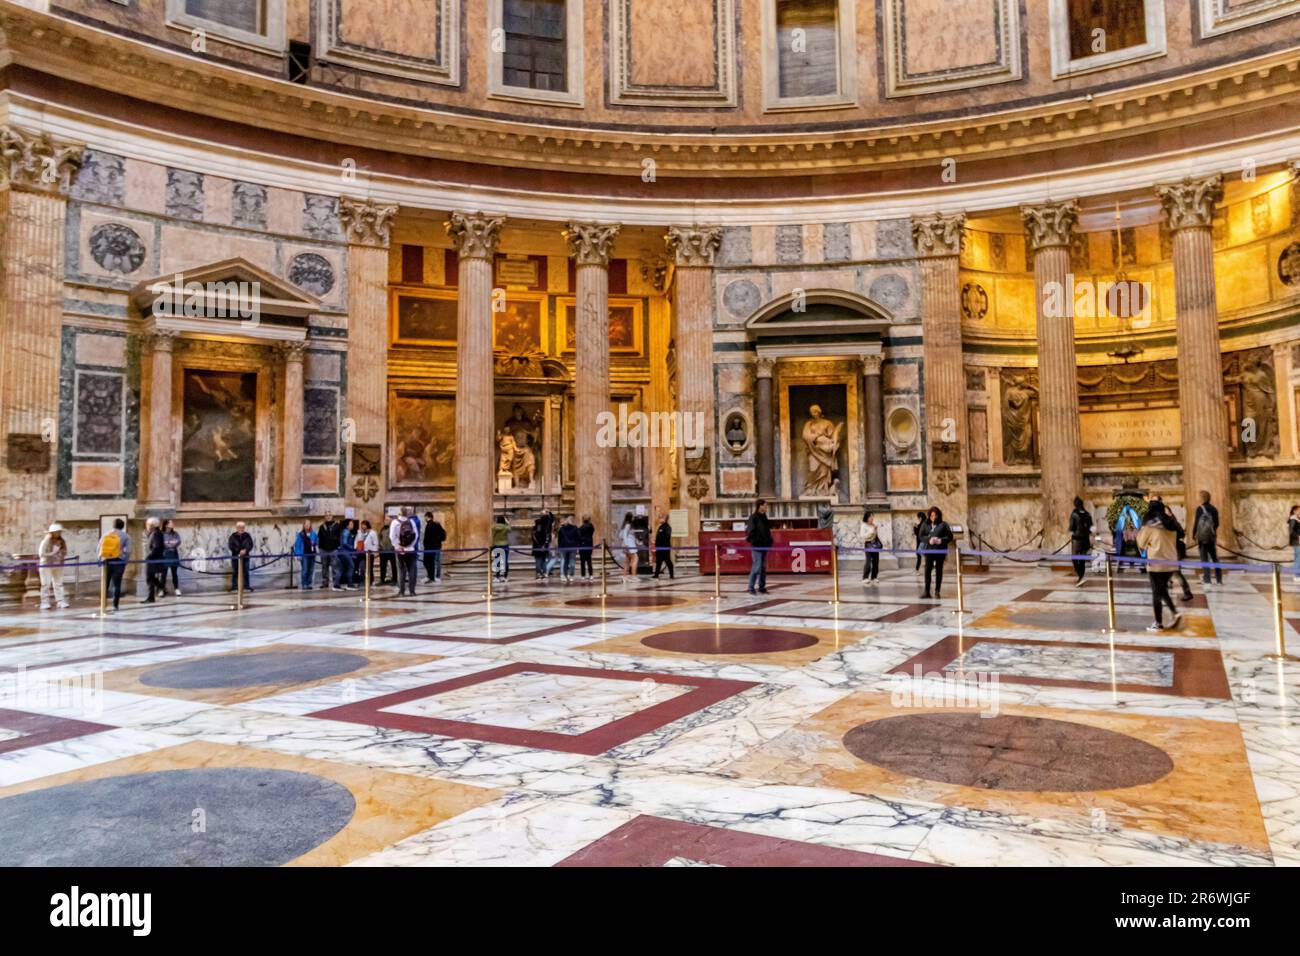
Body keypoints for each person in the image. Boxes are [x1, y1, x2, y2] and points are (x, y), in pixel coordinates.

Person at [1137, 500, 1181, 631]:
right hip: (1171, 562)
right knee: (1162, 590)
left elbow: (1141, 543)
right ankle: (1175, 612)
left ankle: (1158, 622)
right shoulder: (1171, 524)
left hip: (1156, 562)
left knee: (1156, 593)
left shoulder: (1150, 525)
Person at [1150, 495, 1194, 601]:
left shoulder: (1168, 518)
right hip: (1164, 550)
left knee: (1175, 572)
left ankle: (1186, 591)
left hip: (1172, 549)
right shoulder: (1158, 519)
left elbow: (1180, 533)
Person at [921, 506, 953, 600]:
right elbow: (921, 535)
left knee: (939, 570)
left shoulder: (944, 524)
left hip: (940, 550)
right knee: (927, 571)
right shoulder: (925, 524)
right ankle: (927, 591)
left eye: (935, 516)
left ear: (938, 515)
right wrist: (928, 540)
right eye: (931, 516)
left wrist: (940, 540)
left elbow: (950, 537)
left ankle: (937, 591)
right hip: (929, 550)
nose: (933, 518)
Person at [99, 518, 130, 611]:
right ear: (123, 526)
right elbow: (128, 551)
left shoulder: (106, 534)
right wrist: (125, 561)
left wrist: (100, 560)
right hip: (119, 561)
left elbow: (99, 548)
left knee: (105, 583)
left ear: (113, 525)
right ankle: (115, 606)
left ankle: (103, 604)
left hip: (106, 561)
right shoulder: (126, 536)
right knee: (117, 584)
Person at [1193, 490, 1222, 586]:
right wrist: (1211, 531)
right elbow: (1217, 523)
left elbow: (1197, 524)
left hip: (1202, 538)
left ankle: (1207, 580)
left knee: (1204, 559)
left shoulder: (1199, 509)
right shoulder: (1214, 509)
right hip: (1212, 537)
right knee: (1215, 558)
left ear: (1202, 498)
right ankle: (1219, 580)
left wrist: (1194, 535)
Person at [38, 523, 69, 610]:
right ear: (52, 532)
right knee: (46, 584)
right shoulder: (45, 542)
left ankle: (60, 600)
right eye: (56, 532)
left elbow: (65, 552)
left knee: (58, 583)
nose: (58, 533)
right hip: (46, 564)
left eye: (59, 532)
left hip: (58, 564)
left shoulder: (62, 542)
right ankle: (44, 602)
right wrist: (53, 553)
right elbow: (41, 554)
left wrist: (61, 554)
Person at [745, 499, 773, 595]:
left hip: (764, 546)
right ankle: (751, 587)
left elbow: (766, 531)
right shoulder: (753, 517)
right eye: (765, 505)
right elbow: (750, 532)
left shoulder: (764, 517)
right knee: (756, 567)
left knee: (763, 568)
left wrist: (769, 541)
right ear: (760, 506)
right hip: (757, 546)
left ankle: (762, 587)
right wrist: (755, 541)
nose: (766, 508)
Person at [391, 506, 419, 596]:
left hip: (400, 550)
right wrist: (410, 546)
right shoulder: (411, 522)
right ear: (407, 513)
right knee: (412, 570)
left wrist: (398, 546)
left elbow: (392, 536)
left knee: (401, 570)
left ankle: (401, 591)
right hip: (411, 550)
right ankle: (412, 591)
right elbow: (416, 535)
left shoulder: (395, 522)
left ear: (399, 513)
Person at [1068, 497, 1093, 586]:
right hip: (1086, 540)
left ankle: (1080, 576)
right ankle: (1081, 577)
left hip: (1077, 540)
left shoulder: (1074, 514)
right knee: (1082, 559)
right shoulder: (1088, 514)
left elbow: (1071, 528)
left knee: (1074, 558)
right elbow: (1090, 526)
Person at [317, 512, 342, 590]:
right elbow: (319, 538)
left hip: (333, 549)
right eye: (326, 515)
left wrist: (338, 547)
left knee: (335, 567)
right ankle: (325, 582)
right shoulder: (322, 527)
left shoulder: (337, 526)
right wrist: (320, 548)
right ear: (325, 517)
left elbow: (340, 537)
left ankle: (336, 583)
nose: (328, 517)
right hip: (324, 550)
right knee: (324, 567)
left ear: (332, 516)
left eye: (329, 515)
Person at [228, 521, 254, 593]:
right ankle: (234, 587)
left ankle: (246, 586)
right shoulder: (232, 536)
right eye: (239, 527)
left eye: (242, 527)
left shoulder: (247, 535)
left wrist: (245, 550)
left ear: (244, 528)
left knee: (246, 572)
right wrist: (239, 551)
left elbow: (250, 544)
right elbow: (231, 546)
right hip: (235, 557)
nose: (241, 528)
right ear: (236, 528)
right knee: (235, 572)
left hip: (245, 556)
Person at [144, 517, 165, 603]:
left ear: (152, 525)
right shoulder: (154, 533)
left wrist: (149, 556)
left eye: (148, 525)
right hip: (153, 559)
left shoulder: (156, 533)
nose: (147, 526)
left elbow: (156, 547)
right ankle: (160, 588)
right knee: (151, 578)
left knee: (149, 578)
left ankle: (151, 597)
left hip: (153, 559)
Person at [293, 519, 317, 589]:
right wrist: (298, 555)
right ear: (303, 525)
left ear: (310, 525)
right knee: (305, 570)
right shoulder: (300, 534)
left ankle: (309, 583)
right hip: (304, 554)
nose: (307, 526)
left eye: (309, 524)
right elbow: (297, 545)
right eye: (306, 524)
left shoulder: (313, 534)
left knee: (311, 570)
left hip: (312, 554)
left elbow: (317, 541)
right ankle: (304, 583)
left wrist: (314, 542)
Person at [423, 512, 447, 584]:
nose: (424, 519)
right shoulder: (437, 524)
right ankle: (434, 576)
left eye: (425, 517)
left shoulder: (430, 525)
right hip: (436, 546)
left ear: (427, 517)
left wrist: (425, 546)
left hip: (431, 547)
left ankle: (434, 576)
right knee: (434, 562)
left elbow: (426, 538)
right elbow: (443, 534)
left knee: (432, 562)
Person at [557, 515, 581, 583]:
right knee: (572, 562)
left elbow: (559, 539)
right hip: (572, 547)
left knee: (564, 561)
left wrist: (559, 548)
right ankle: (571, 575)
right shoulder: (575, 528)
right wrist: (578, 546)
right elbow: (578, 538)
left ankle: (564, 575)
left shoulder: (561, 529)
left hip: (563, 547)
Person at [162, 519, 182, 595]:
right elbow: (162, 542)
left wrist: (169, 543)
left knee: (174, 572)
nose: (173, 524)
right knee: (164, 573)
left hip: (173, 554)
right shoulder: (162, 534)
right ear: (166, 525)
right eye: (171, 523)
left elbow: (178, 541)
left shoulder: (175, 533)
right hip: (165, 554)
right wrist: (170, 543)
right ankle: (162, 589)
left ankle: (176, 588)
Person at [531, 509, 554, 579]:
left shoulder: (535, 528)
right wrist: (544, 545)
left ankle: (539, 573)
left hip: (537, 546)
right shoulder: (546, 525)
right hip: (543, 545)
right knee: (543, 559)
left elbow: (534, 537)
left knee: (538, 560)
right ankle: (544, 572)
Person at [335, 519, 357, 591]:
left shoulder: (344, 531)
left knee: (341, 569)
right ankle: (350, 584)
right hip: (345, 552)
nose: (352, 525)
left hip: (341, 552)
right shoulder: (346, 532)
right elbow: (344, 543)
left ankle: (336, 585)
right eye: (351, 524)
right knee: (351, 566)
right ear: (347, 525)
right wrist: (353, 548)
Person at [860, 509, 881, 583]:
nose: (872, 518)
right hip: (868, 544)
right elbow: (863, 536)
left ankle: (874, 577)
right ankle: (865, 577)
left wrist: (875, 531)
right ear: (867, 518)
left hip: (874, 544)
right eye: (871, 517)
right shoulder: (864, 526)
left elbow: (875, 535)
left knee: (876, 561)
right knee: (868, 562)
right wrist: (871, 532)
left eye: (873, 517)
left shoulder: (873, 525)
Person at [652, 511, 675, 580]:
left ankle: (671, 575)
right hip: (659, 548)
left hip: (664, 548)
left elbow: (667, 537)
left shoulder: (668, 527)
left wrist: (662, 545)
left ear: (665, 519)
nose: (659, 519)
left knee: (668, 561)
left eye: (661, 518)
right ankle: (656, 575)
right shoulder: (660, 527)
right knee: (658, 562)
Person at [618, 512, 639, 582]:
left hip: (627, 544)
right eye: (632, 517)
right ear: (631, 517)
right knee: (635, 559)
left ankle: (624, 576)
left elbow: (623, 535)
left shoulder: (625, 524)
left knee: (627, 561)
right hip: (629, 545)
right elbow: (624, 535)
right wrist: (627, 545)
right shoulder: (628, 525)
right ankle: (633, 576)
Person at [359, 519, 379, 586]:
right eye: (362, 525)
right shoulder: (361, 533)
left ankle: (370, 581)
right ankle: (362, 580)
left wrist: (374, 551)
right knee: (362, 567)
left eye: (364, 525)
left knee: (369, 568)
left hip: (370, 553)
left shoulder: (372, 532)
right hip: (362, 552)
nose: (363, 526)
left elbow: (375, 543)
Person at [492, 515, 511, 581]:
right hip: (505, 545)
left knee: (497, 561)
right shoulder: (506, 527)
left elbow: (492, 536)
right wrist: (507, 522)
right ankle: (505, 576)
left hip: (496, 545)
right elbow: (510, 530)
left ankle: (497, 576)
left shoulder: (494, 527)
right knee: (505, 561)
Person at [378, 520, 396, 586]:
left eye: (387, 521)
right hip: (383, 551)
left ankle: (394, 579)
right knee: (383, 566)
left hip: (391, 550)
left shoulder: (392, 529)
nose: (385, 522)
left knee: (393, 566)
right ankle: (382, 579)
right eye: (385, 520)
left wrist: (393, 547)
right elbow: (379, 537)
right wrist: (380, 545)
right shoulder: (382, 529)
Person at [578, 514, 595, 581]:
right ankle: (591, 575)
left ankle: (583, 575)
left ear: (582, 520)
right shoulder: (591, 527)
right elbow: (592, 533)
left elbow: (579, 537)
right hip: (589, 545)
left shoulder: (581, 528)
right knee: (589, 561)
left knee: (582, 562)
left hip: (582, 546)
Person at [912, 511, 928, 575]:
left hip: (921, 542)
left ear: (920, 517)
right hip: (922, 542)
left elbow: (918, 534)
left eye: (918, 517)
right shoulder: (925, 523)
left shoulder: (922, 524)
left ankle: (917, 570)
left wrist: (915, 527)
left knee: (920, 555)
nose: (918, 519)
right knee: (923, 555)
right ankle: (917, 570)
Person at [1289, 504, 1300, 583]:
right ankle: (1296, 575)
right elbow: (1291, 531)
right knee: (1298, 558)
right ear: (1294, 511)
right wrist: (1299, 536)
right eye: (1299, 510)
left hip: (1298, 541)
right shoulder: (1293, 519)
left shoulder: (1297, 519)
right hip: (1297, 542)